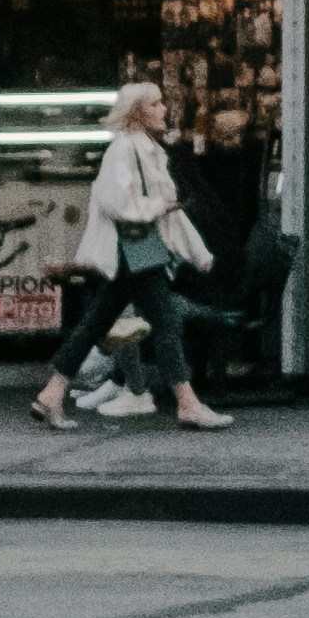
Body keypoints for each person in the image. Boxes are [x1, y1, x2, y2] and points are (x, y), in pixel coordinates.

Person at [38, 77, 229, 431]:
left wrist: (196, 251)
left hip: (132, 255)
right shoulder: (126, 149)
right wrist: (157, 208)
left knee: (96, 323)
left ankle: (52, 393)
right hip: (133, 253)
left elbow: (170, 212)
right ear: (137, 114)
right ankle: (187, 403)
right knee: (167, 324)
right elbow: (120, 203)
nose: (164, 109)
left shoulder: (143, 148)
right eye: (154, 104)